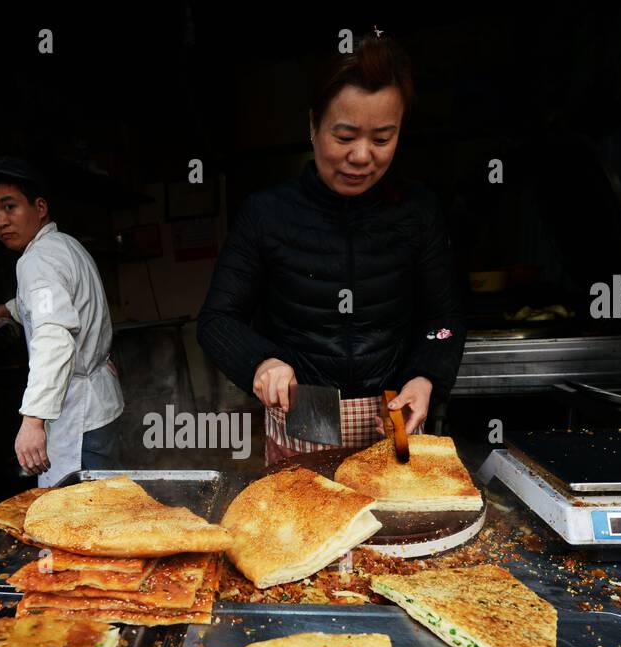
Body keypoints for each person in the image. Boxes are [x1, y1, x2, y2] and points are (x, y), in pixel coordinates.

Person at [196, 31, 465, 463]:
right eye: (344, 137)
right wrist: (262, 363)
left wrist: (425, 376)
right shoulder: (266, 214)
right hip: (301, 420)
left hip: (391, 419)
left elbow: (444, 320)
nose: (362, 156)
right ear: (312, 126)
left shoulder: (418, 212)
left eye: (382, 139)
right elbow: (216, 320)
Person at [0, 157, 124, 486]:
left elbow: (54, 336)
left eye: (9, 206)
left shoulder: (36, 261)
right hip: (101, 406)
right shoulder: (64, 245)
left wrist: (33, 421)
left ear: (39, 207)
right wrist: (10, 308)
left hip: (79, 416)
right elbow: (58, 299)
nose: (1, 221)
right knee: (107, 512)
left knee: (80, 524)